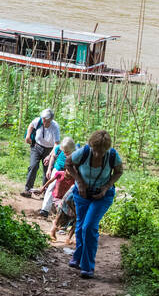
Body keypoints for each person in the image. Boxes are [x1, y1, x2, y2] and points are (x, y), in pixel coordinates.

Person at [65, 130, 123, 279]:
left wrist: (106, 187)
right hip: (82, 193)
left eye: (102, 151)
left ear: (107, 149)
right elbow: (68, 163)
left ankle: (87, 266)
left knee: (89, 226)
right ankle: (78, 256)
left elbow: (118, 172)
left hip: (102, 196)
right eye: (95, 150)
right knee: (80, 226)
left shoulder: (112, 156)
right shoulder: (84, 152)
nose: (98, 154)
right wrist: (79, 182)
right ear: (91, 146)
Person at [21, 108, 62, 197]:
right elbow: (31, 125)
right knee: (33, 166)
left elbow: (56, 144)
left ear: (51, 119)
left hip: (49, 150)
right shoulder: (38, 120)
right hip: (36, 146)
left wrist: (50, 156)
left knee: (47, 171)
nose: (44, 122)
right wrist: (28, 136)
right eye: (43, 119)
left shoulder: (55, 127)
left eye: (47, 120)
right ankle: (28, 190)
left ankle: (44, 192)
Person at [39, 137, 77, 217]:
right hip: (58, 168)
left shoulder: (77, 152)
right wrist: (49, 169)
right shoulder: (58, 148)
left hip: (69, 172)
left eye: (68, 152)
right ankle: (45, 209)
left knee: (66, 190)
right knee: (51, 187)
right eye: (64, 151)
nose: (66, 153)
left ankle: (61, 212)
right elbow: (53, 157)